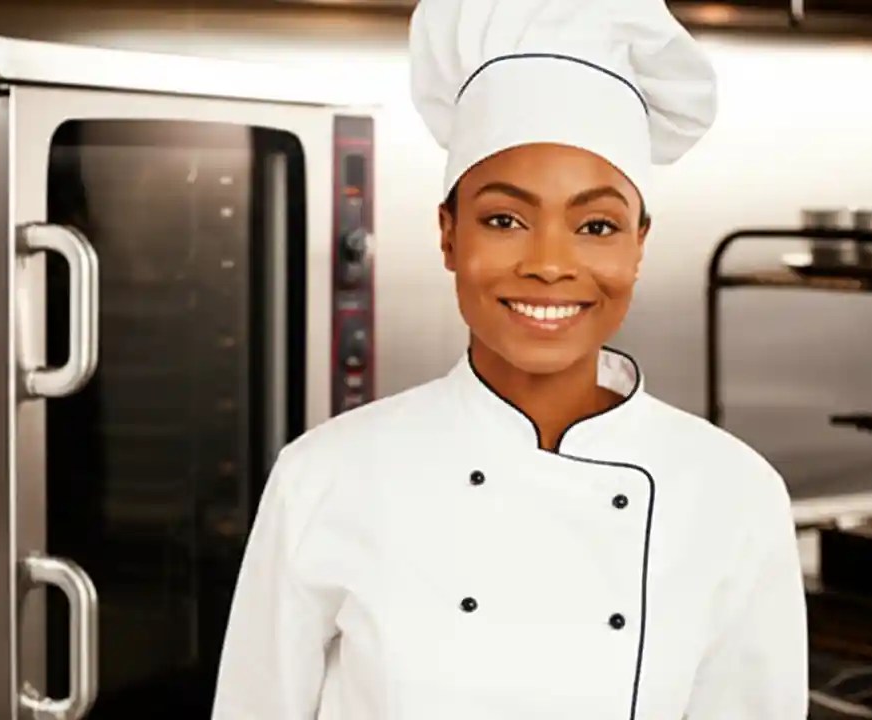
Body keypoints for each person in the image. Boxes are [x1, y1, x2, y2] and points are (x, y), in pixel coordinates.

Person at [211, 0, 809, 717]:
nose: (550, 264)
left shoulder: (735, 496)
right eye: (504, 219)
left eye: (596, 226)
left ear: (638, 247)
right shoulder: (325, 478)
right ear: (448, 234)